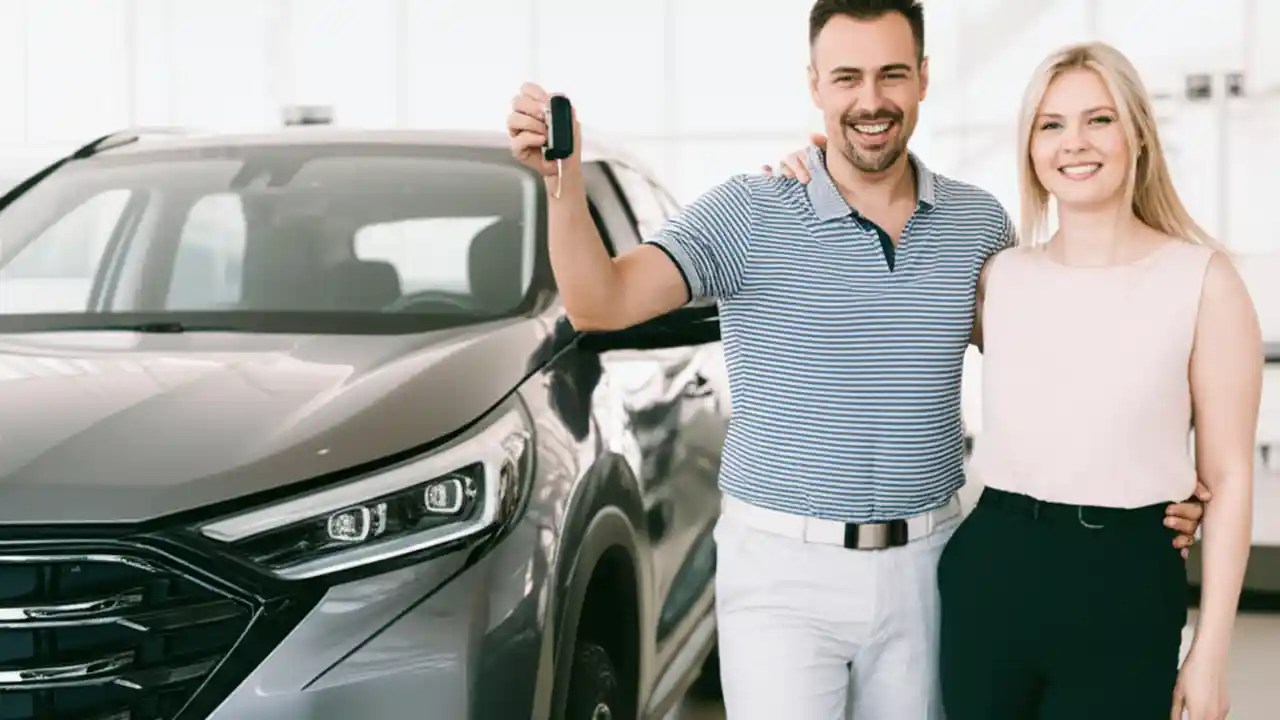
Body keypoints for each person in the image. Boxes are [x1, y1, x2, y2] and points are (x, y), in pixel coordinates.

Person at [507, 1, 1206, 717]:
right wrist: (562, 189)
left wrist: (1159, 486)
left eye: (891, 75)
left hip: (928, 567)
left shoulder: (978, 224)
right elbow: (601, 302)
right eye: (847, 78)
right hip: (782, 571)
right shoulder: (750, 210)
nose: (870, 101)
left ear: (924, 79)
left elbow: (1056, 375)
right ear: (815, 85)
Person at [773, 40, 1259, 720]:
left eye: (1099, 119)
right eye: (1050, 124)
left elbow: (1231, 476)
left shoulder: (1204, 282)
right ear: (1030, 147)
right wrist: (814, 175)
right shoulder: (1000, 277)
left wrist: (1210, 652)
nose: (1074, 143)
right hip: (992, 576)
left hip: (1124, 586)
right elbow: (873, 299)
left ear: (1138, 135)